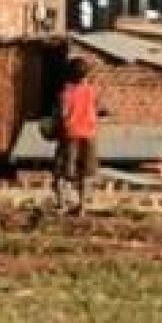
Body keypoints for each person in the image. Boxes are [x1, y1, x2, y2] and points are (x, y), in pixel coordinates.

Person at [52, 56, 101, 217]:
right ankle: (82, 207)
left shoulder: (65, 93)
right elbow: (98, 110)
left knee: (62, 171)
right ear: (85, 75)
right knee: (86, 172)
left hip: (70, 134)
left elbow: (62, 114)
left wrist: (55, 129)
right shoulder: (93, 92)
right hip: (89, 134)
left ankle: (62, 204)